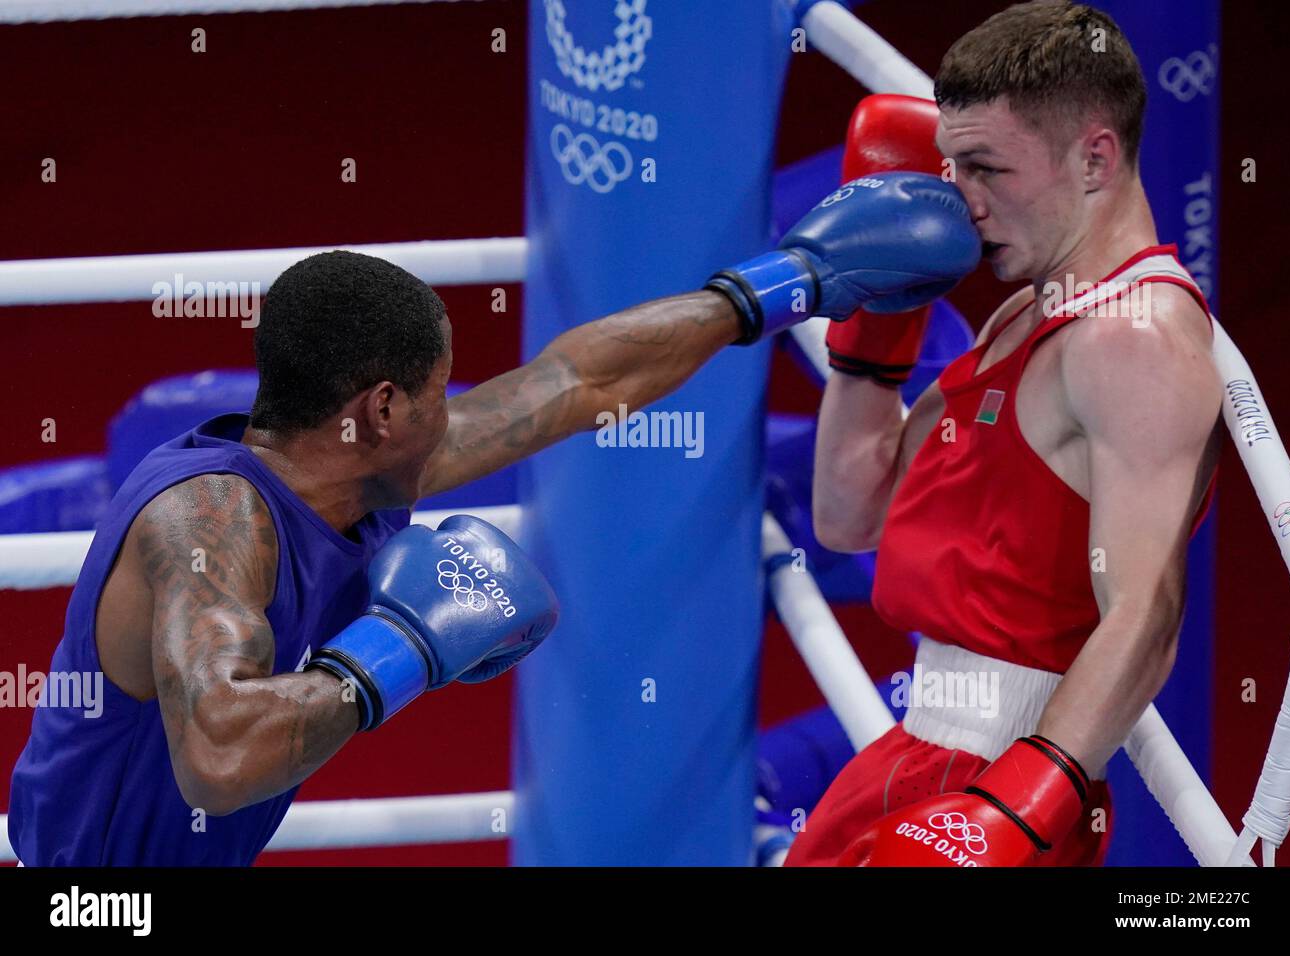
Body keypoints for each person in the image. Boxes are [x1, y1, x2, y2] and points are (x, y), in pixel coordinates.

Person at [8, 166, 980, 865]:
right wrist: (397, 651)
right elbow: (221, 753)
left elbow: (572, 379)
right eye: (435, 389)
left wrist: (773, 289)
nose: (454, 407)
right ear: (381, 408)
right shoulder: (212, 523)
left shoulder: (357, 468)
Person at [785, 1, 1222, 867]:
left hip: (1006, 778)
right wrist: (875, 330)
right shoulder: (1025, 316)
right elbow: (848, 514)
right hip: (914, 753)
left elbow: (1147, 612)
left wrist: (1015, 809)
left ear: (1095, 157)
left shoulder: (1134, 339)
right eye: (952, 168)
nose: (963, 203)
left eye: (987, 169)